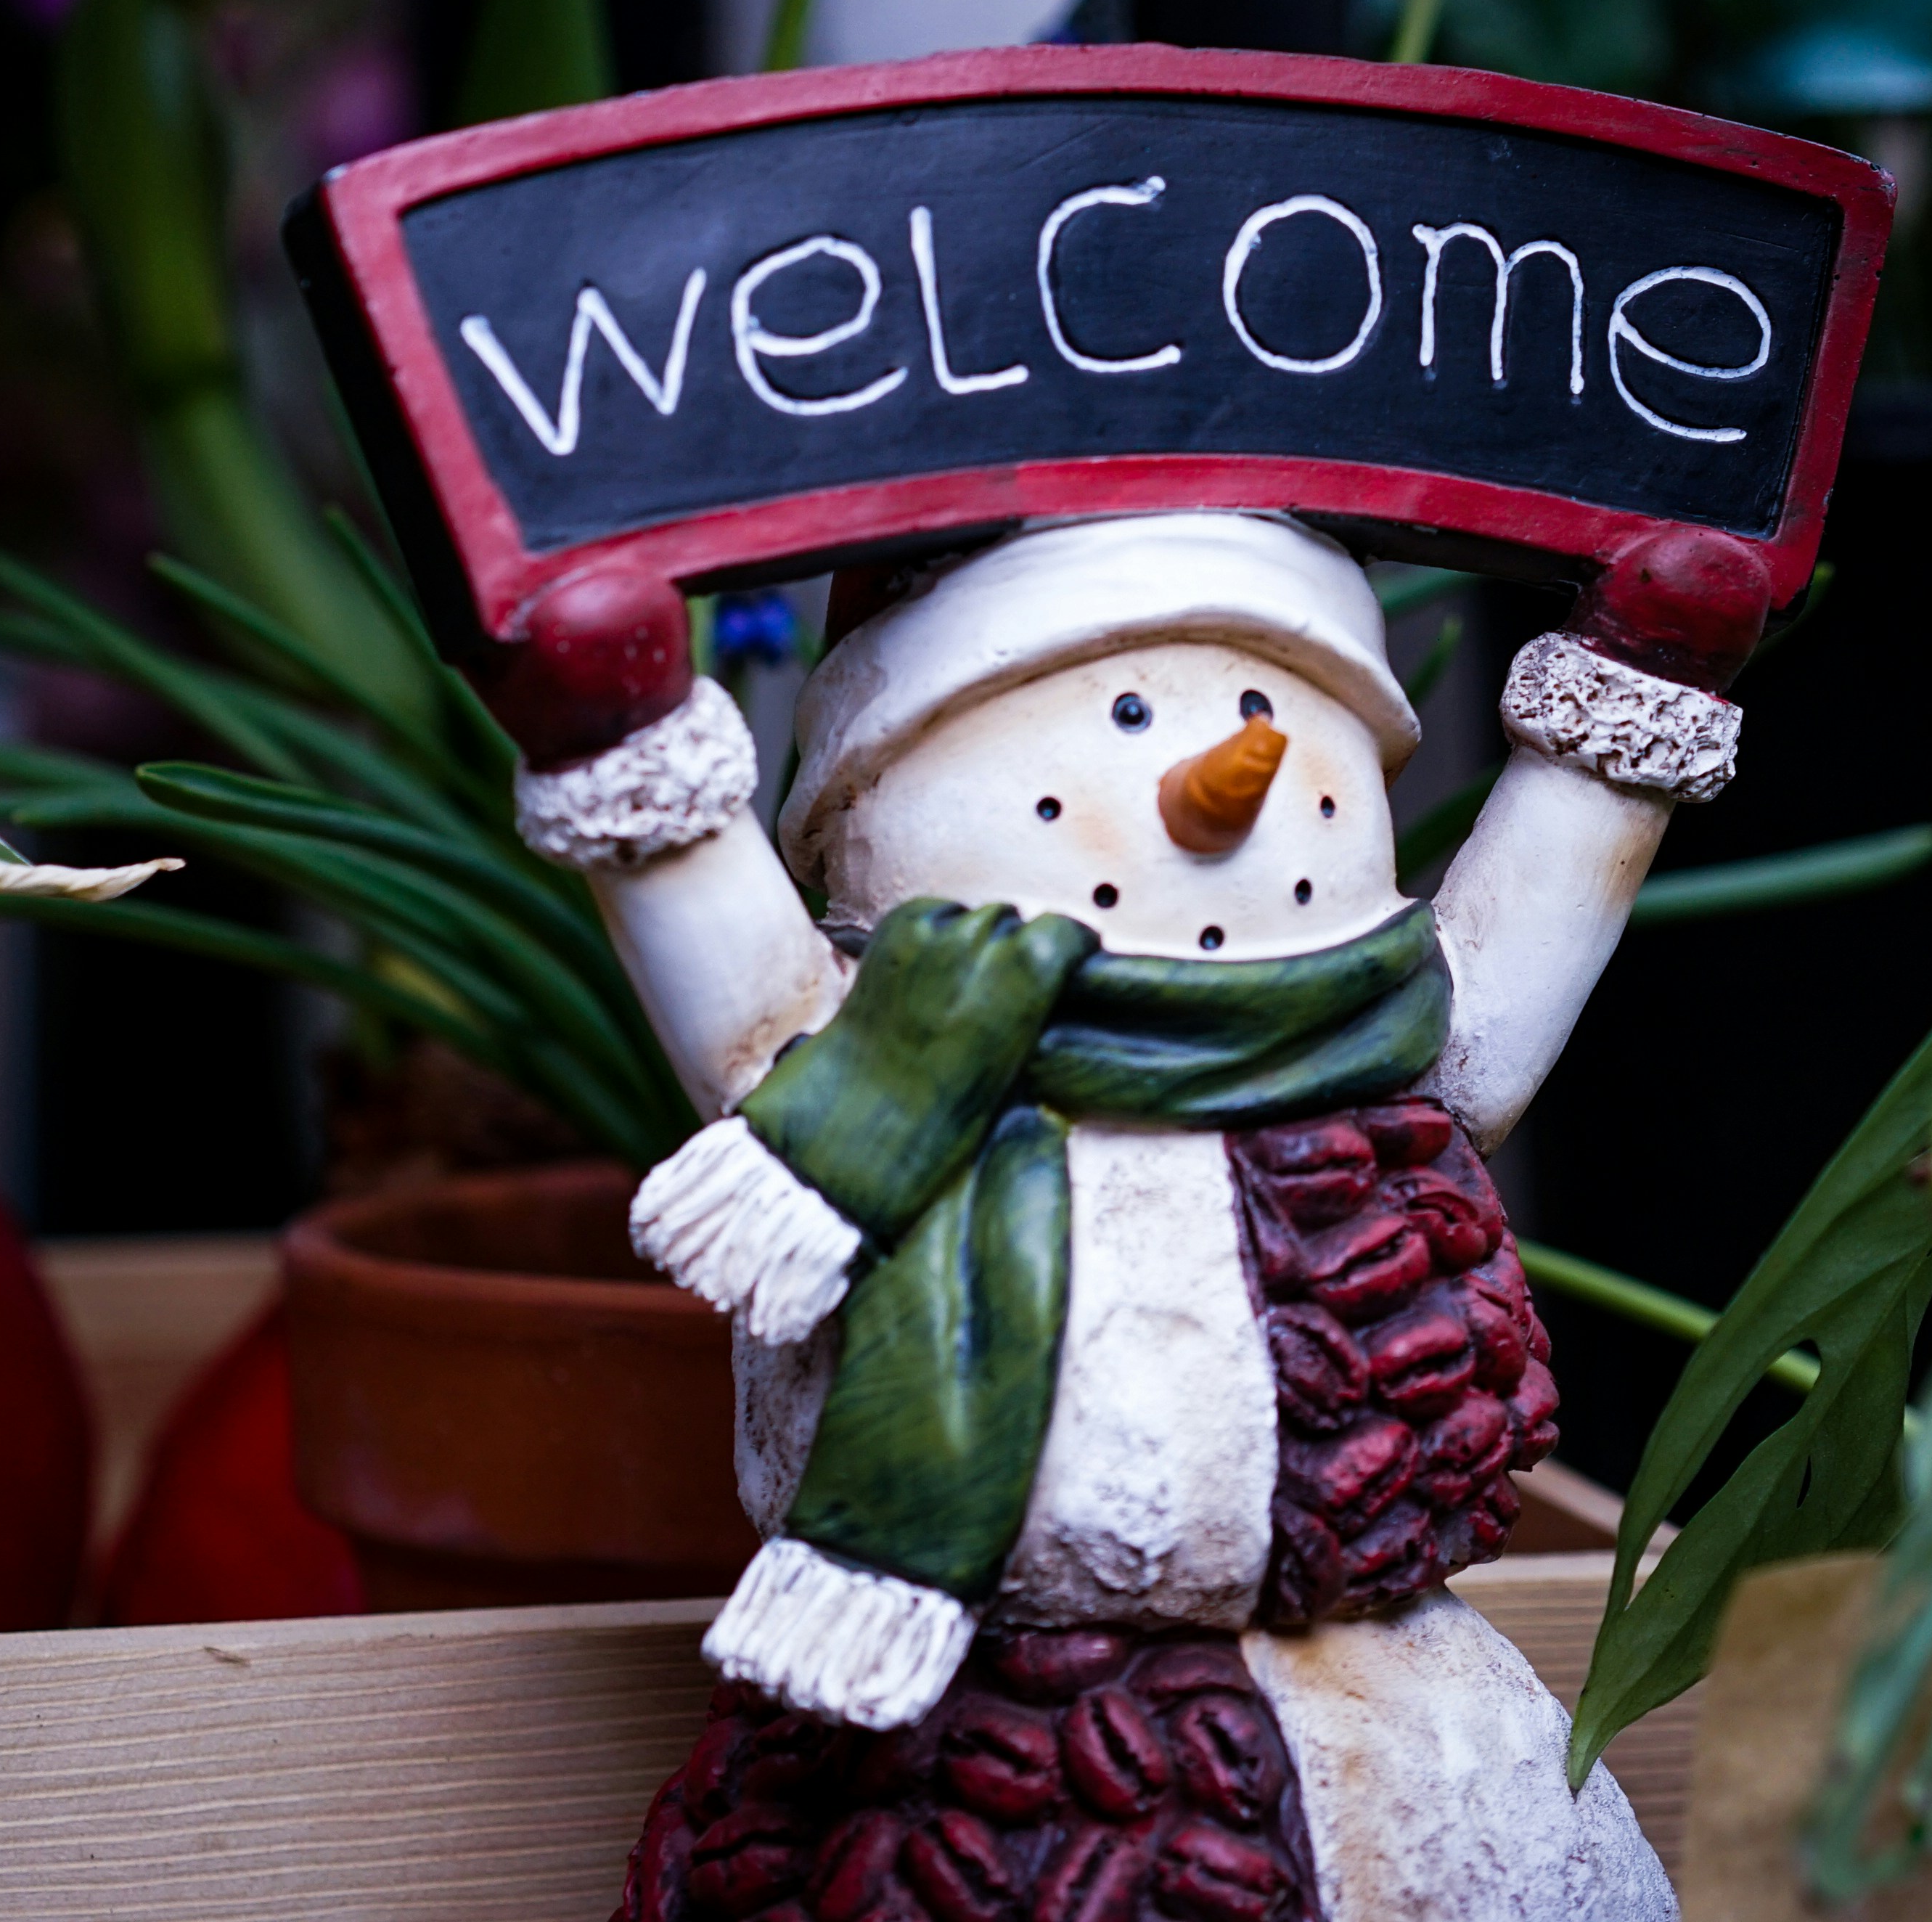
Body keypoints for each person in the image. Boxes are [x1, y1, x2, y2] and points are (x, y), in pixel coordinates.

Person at [470, 510, 1764, 1922]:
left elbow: (1526, 945)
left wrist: (1628, 708)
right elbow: (748, 1022)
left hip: (1407, 1712)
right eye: (1131, 709)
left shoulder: (1386, 1035)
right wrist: (634, 761)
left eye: (1272, 702)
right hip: (979, 1732)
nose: (1236, 766)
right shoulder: (885, 1074)